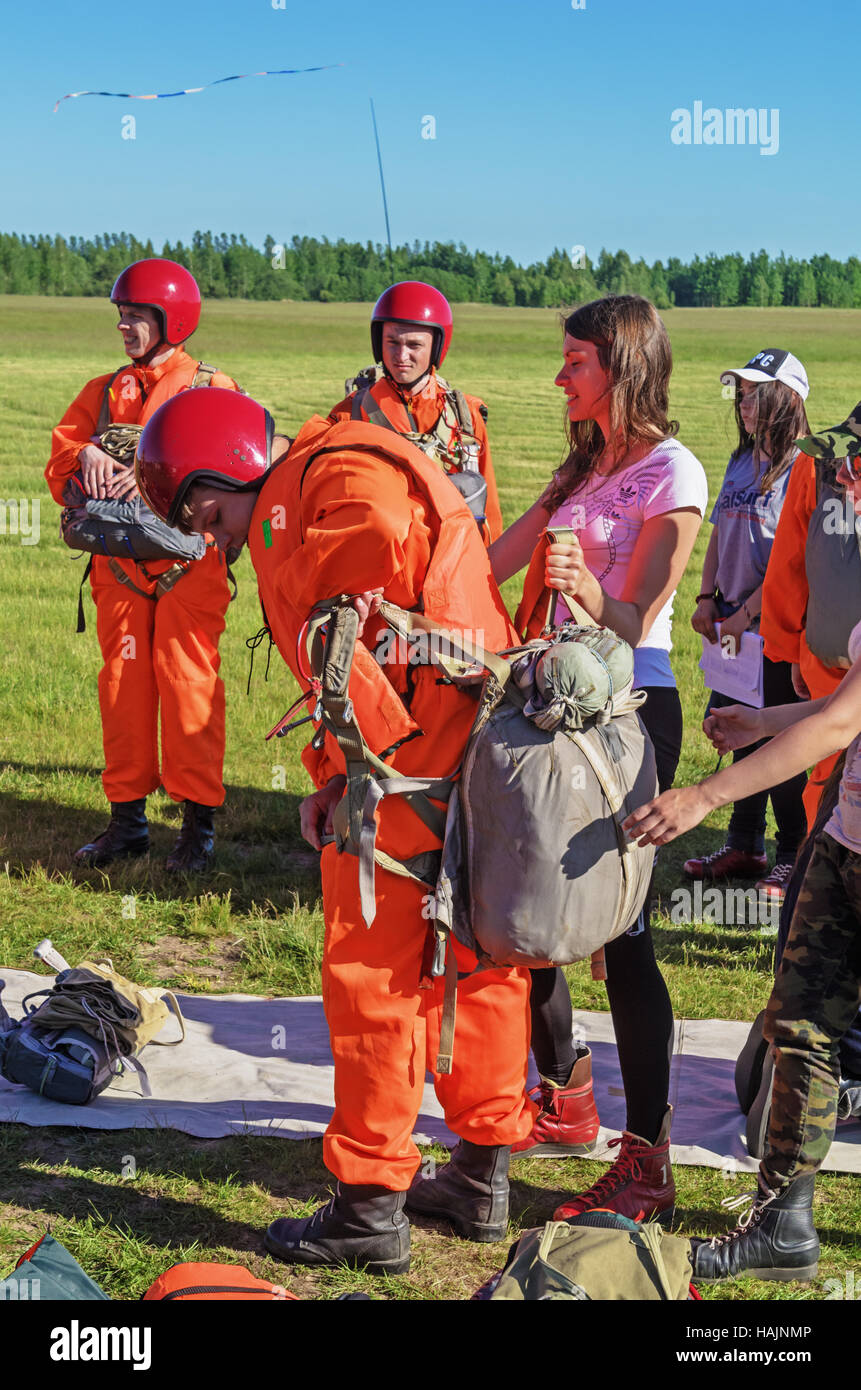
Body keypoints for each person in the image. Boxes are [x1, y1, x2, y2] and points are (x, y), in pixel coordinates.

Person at [134, 389, 536, 1275]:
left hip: (411, 766)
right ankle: (478, 1173)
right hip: (454, 756)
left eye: (203, 510)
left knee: (376, 978)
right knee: (480, 959)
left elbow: (373, 563)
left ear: (223, 466)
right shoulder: (317, 477)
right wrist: (333, 765)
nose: (210, 534)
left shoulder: (328, 475)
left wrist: (359, 760)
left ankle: (368, 1208)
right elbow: (353, 639)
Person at [488, 295, 707, 1218]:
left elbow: (640, 613)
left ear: (619, 367)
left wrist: (582, 588)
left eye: (573, 361)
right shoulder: (576, 465)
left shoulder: (672, 470)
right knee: (520, 908)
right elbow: (484, 564)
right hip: (544, 706)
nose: (558, 377)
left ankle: (647, 1159)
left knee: (622, 940)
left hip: (628, 710)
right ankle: (564, 1090)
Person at [623, 430, 861, 1278]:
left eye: (854, 477)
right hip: (846, 842)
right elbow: (847, 704)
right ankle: (782, 1227)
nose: (844, 495)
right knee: (799, 1024)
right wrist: (759, 723)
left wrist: (704, 797)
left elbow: (839, 723)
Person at [45, 259, 240, 872]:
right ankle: (127, 823)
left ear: (170, 320)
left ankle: (196, 830)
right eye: (122, 316)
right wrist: (87, 460)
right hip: (121, 569)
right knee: (123, 690)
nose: (125, 327)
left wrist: (150, 471)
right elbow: (58, 464)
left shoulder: (211, 388)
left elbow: (234, 473)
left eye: (137, 317)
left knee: (189, 690)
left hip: (190, 568)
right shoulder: (105, 392)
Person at [686, 349, 811, 900]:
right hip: (733, 622)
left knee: (781, 738)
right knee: (740, 732)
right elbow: (719, 533)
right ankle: (744, 843)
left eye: (756, 393)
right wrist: (707, 597)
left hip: (774, 626)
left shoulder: (804, 468)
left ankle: (794, 854)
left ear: (787, 399)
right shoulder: (741, 461)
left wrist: (744, 615)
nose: (744, 403)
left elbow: (796, 557)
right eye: (741, 393)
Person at [328, 281, 503, 543]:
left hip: (448, 562)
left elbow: (487, 512)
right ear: (378, 342)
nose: (401, 355)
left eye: (414, 345)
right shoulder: (349, 414)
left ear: (436, 348)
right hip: (377, 568)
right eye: (392, 342)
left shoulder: (466, 420)